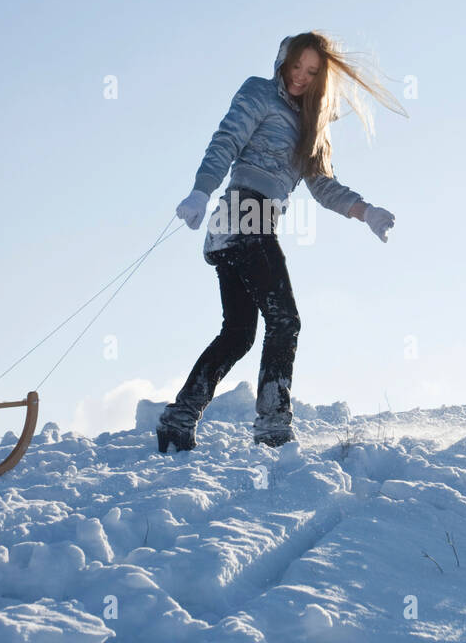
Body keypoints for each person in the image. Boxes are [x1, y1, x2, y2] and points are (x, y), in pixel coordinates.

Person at [157, 32, 406, 453]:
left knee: (238, 333)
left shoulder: (313, 127)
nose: (300, 78)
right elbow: (227, 140)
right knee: (284, 320)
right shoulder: (258, 92)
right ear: (283, 60)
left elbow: (324, 187)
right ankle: (273, 426)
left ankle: (180, 418)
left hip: (248, 220)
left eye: (312, 73)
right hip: (243, 209)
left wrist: (366, 212)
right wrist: (201, 190)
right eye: (296, 66)